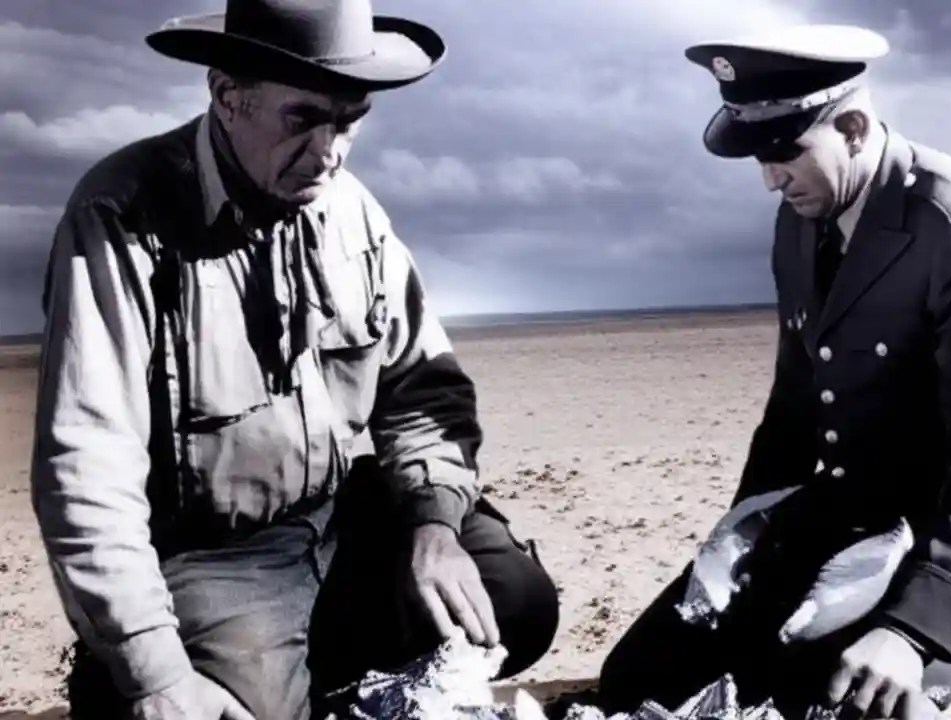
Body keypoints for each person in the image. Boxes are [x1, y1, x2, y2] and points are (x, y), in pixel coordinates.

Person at [28, 1, 558, 718]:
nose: (330, 150)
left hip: (341, 518)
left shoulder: (353, 212)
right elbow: (87, 467)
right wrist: (155, 675)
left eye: (350, 120)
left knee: (515, 599)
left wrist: (433, 524)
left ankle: (315, 664)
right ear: (226, 96)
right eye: (303, 118)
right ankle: (122, 674)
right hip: (211, 559)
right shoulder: (122, 216)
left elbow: (424, 394)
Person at [597, 24, 951, 720]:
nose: (768, 178)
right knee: (640, 682)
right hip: (841, 522)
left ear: (850, 126)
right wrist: (743, 539)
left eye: (785, 152)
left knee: (839, 707)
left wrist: (911, 632)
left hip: (940, 539)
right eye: (758, 155)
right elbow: (795, 407)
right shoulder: (802, 215)